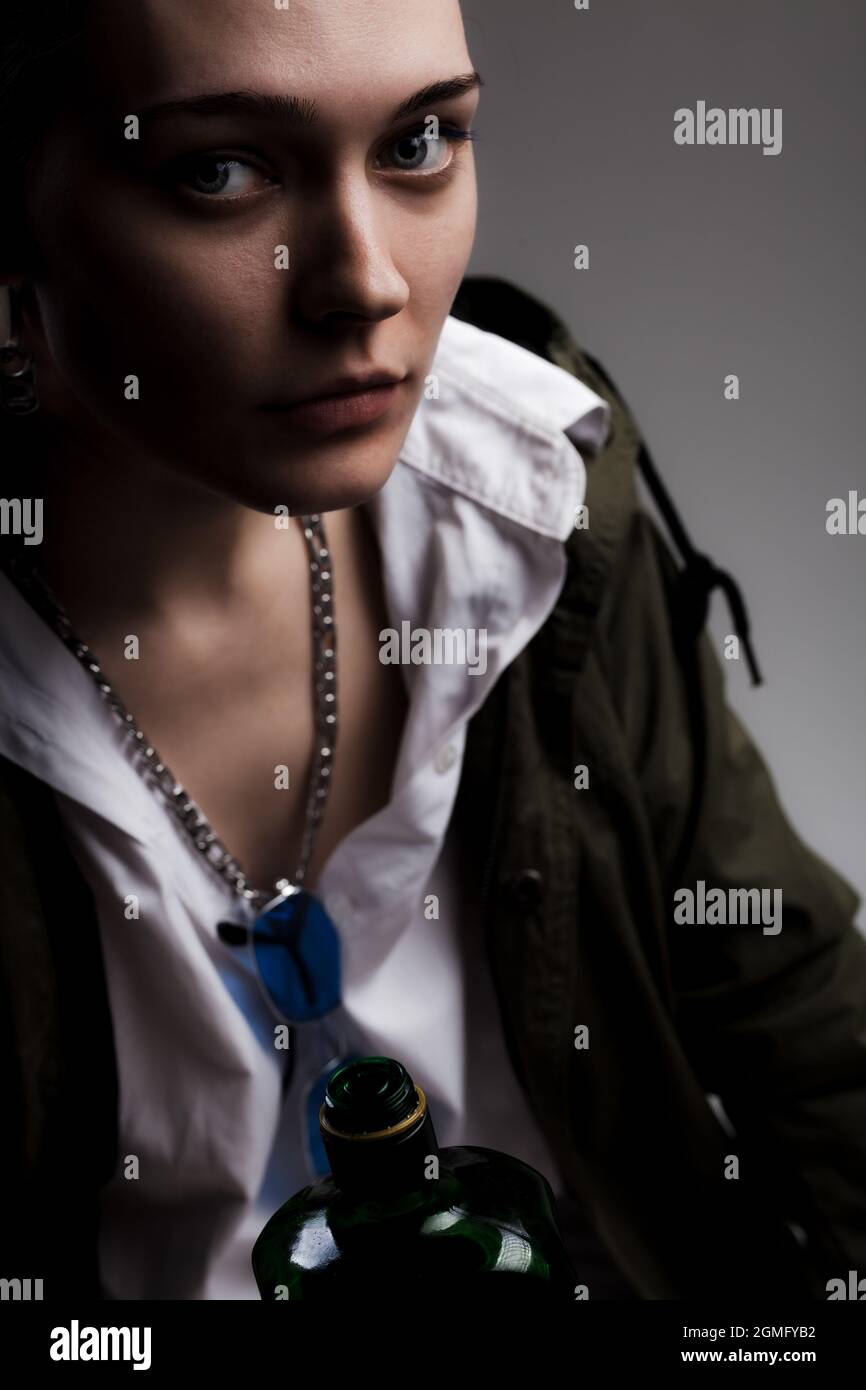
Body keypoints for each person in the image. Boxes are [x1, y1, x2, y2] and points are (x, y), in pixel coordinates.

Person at [1, 0, 864, 1303]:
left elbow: (797, 1013)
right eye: (217, 171)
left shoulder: (527, 495)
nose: (367, 282)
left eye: (416, 142)